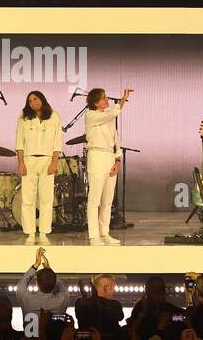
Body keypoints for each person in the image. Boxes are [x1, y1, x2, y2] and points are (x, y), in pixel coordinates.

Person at [82, 86, 133, 245]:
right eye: (104, 98)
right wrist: (123, 99)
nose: (107, 100)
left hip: (109, 157)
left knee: (108, 200)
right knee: (94, 199)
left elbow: (116, 139)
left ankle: (104, 233)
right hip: (96, 155)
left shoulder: (108, 116)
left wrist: (117, 160)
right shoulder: (90, 115)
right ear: (96, 102)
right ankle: (94, 235)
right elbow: (114, 111)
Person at [15, 90, 62, 245]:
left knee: (46, 198)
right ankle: (29, 232)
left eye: (35, 99)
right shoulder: (23, 118)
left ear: (42, 99)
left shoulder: (54, 116)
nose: (33, 102)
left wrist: (54, 162)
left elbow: (57, 143)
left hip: (47, 160)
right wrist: (21, 163)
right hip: (29, 160)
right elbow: (19, 143)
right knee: (28, 198)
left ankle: (43, 232)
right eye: (30, 101)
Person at [16, 248, 72, 317]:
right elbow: (63, 287)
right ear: (54, 284)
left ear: (37, 283)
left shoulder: (27, 300)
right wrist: (49, 269)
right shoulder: (61, 301)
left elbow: (20, 287)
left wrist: (36, 265)